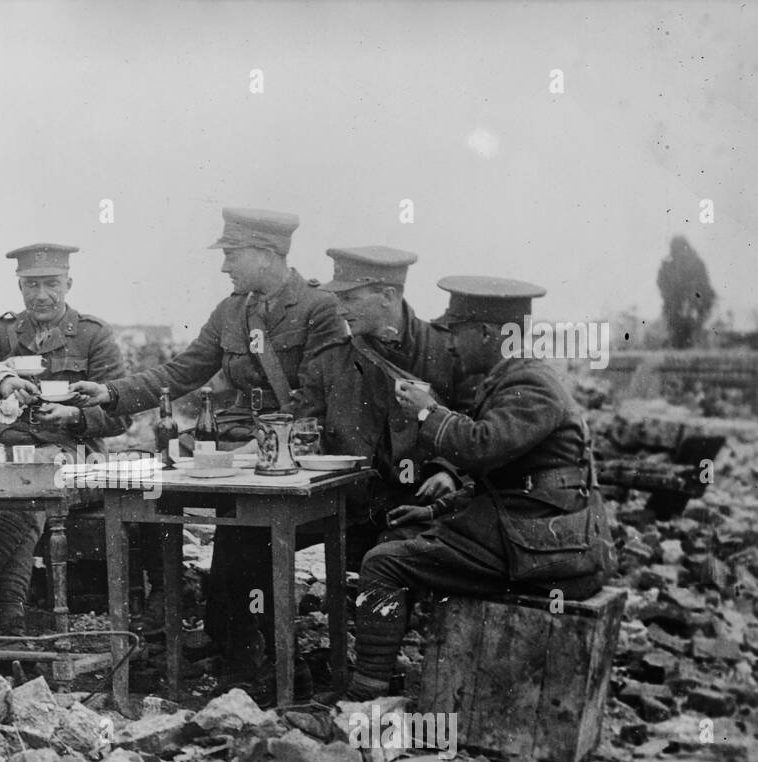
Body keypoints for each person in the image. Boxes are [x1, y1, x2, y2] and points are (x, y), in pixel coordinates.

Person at [70, 208, 350, 694]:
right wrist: (111, 394)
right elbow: (181, 372)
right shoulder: (232, 311)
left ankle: (257, 663)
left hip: (302, 456)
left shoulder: (318, 309)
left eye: (231, 255)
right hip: (238, 453)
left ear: (266, 254)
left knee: (243, 547)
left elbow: (320, 398)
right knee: (163, 504)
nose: (225, 267)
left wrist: (259, 445)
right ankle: (201, 641)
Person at [347, 277, 615, 698]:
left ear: (488, 334)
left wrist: (427, 415)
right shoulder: (515, 376)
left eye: (456, 331)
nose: (449, 344)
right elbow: (508, 480)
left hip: (549, 553)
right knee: (399, 537)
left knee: (383, 563)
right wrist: (434, 513)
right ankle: (390, 672)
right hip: (536, 533)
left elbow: (482, 448)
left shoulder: (531, 384)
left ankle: (365, 695)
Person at [0, 243, 128, 637]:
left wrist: (75, 416)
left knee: (29, 484)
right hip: (10, 454)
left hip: (77, 456)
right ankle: (9, 619)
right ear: (19, 285)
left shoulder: (92, 336)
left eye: (51, 284)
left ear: (68, 283)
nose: (41, 295)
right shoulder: (2, 332)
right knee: (16, 485)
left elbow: (120, 413)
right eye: (31, 285)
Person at [299, 246, 478, 566]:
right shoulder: (330, 360)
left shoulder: (446, 351)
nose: (339, 311)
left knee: (387, 561)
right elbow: (304, 427)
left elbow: (475, 423)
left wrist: (448, 472)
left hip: (418, 508)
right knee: (246, 535)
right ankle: (248, 618)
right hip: (343, 507)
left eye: (350, 299)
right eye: (338, 300)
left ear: (387, 295)